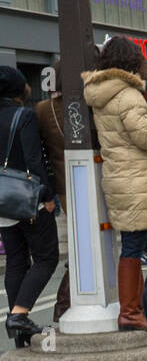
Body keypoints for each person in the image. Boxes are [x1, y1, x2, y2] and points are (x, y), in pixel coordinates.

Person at [81, 36, 147, 330]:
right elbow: (146, 138)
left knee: (135, 243)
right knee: (135, 245)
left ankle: (137, 306)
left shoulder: (103, 93)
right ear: (132, 62)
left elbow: (123, 132)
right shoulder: (129, 94)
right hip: (135, 179)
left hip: (120, 176)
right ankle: (131, 311)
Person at [0, 66, 57, 347]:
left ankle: (18, 328)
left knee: (15, 260)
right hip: (27, 198)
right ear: (18, 89)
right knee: (47, 258)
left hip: (2, 201)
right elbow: (35, 160)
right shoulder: (24, 115)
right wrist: (47, 195)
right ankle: (19, 315)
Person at [34, 59, 71, 323]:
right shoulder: (86, 106)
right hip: (89, 179)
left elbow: (39, 152)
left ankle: (63, 305)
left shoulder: (43, 109)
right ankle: (65, 302)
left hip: (61, 184)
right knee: (95, 245)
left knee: (81, 245)